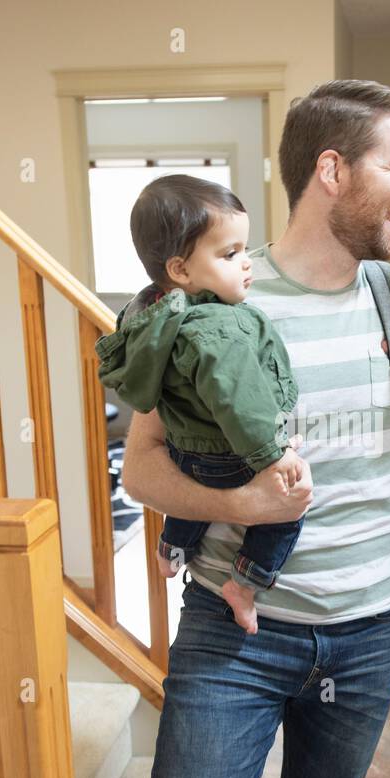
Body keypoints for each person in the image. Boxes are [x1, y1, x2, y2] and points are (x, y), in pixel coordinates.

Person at [125, 80, 390, 778]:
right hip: (234, 633)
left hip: (370, 632)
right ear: (333, 171)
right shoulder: (215, 300)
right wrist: (241, 500)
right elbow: (140, 467)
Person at [95, 175, 305, 634]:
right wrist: (276, 453)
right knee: (287, 512)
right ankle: (245, 586)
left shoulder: (153, 311)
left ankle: (173, 546)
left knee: (197, 500)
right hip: (229, 454)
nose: (247, 264)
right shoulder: (218, 331)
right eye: (229, 254)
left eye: (244, 250)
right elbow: (242, 404)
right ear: (182, 270)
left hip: (186, 452)